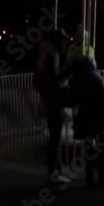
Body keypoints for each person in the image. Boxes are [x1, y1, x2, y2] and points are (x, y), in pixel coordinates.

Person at [66, 56, 104, 187]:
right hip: (99, 116)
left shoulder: (75, 79)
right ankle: (102, 179)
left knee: (88, 148)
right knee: (100, 148)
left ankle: (90, 179)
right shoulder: (97, 78)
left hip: (85, 116)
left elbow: (72, 100)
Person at [34, 31, 71, 183]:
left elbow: (39, 80)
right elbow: (56, 78)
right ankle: (54, 173)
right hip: (54, 102)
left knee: (53, 138)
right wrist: (68, 71)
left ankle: (55, 171)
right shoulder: (53, 55)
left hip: (48, 101)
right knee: (55, 139)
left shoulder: (43, 57)